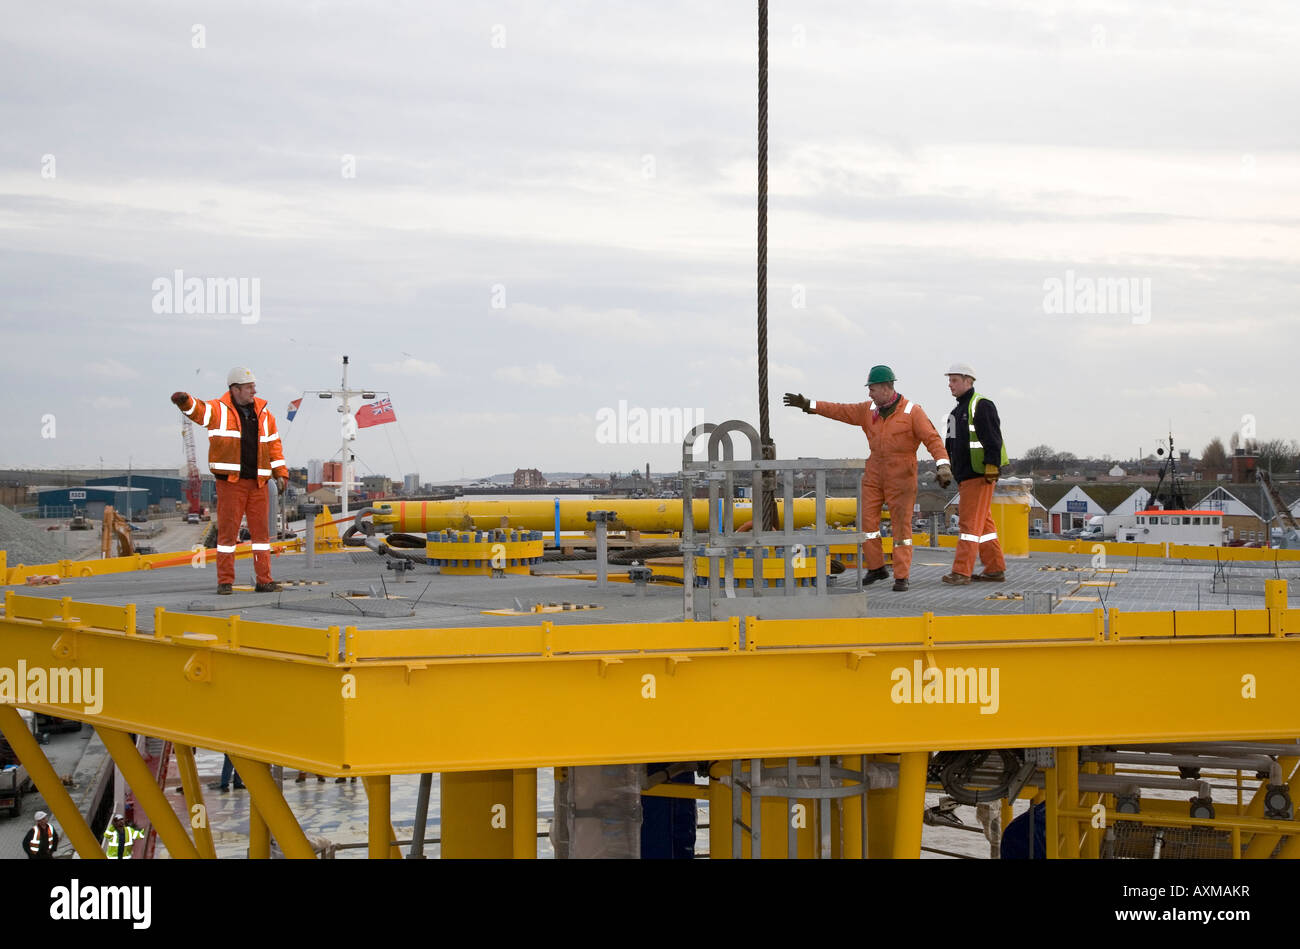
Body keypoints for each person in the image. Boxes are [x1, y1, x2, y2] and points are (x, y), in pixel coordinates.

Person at [784, 365, 952, 592]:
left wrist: (943, 466)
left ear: (886, 387)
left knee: (901, 528)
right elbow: (840, 410)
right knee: (867, 524)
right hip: (874, 472)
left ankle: (901, 576)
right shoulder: (868, 410)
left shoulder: (912, 412)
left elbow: (932, 439)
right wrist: (809, 405)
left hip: (901, 474)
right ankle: (876, 568)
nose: (869, 393)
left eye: (872, 389)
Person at [170, 368, 288, 594]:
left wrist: (280, 473)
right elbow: (199, 412)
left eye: (254, 385)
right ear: (235, 389)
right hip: (231, 484)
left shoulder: (265, 414)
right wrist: (184, 402)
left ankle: (264, 580)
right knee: (227, 535)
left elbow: (274, 446)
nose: (254, 390)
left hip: (259, 483)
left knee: (261, 537)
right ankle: (225, 581)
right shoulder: (218, 410)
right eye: (249, 386)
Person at [942, 362, 1007, 584]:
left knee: (969, 525)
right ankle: (994, 568)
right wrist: (945, 468)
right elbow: (949, 445)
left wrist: (992, 465)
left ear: (968, 381)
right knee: (984, 525)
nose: (950, 385)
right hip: (966, 476)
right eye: (949, 380)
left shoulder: (981, 405)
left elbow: (992, 438)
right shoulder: (954, 413)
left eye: (954, 380)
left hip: (978, 474)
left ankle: (961, 572)